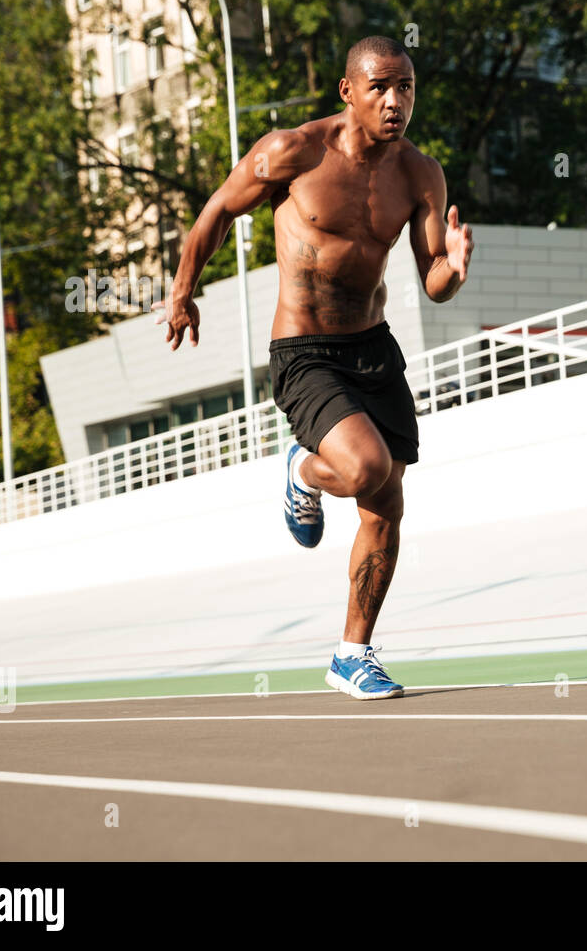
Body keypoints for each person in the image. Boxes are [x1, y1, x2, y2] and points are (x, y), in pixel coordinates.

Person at [155, 35, 473, 700]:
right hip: (304, 352)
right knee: (364, 468)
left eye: (407, 87)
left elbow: (433, 279)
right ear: (347, 91)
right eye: (381, 87)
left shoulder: (420, 175)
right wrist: (183, 291)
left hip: (372, 347)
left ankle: (352, 653)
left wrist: (455, 269)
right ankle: (302, 469)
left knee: (385, 504)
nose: (396, 102)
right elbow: (216, 213)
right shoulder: (291, 152)